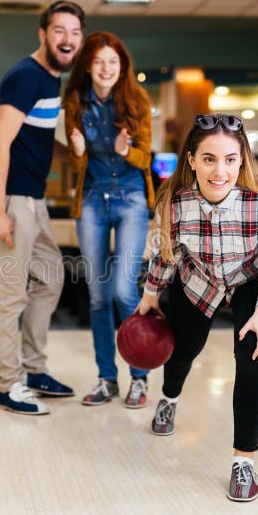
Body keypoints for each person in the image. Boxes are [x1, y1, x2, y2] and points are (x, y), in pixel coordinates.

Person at [136, 114, 258, 501]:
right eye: (208, 158)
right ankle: (169, 399)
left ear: (243, 161)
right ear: (191, 160)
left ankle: (244, 464)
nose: (219, 170)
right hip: (198, 278)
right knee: (184, 348)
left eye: (229, 160)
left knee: (252, 355)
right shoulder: (175, 204)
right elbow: (165, 255)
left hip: (249, 280)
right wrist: (151, 295)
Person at [0, 0, 85, 415]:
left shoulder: (48, 80)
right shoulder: (26, 77)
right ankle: (8, 385)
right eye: (59, 30)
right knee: (8, 294)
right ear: (43, 34)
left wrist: (76, 151)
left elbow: (33, 140)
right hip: (12, 199)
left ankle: (34, 369)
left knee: (51, 276)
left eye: (75, 33)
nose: (67, 39)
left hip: (32, 199)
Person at [62, 31, 156, 408]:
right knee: (99, 296)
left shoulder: (137, 99)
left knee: (122, 290)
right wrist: (79, 151)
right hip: (91, 201)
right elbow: (75, 164)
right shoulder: (75, 102)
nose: (105, 69)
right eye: (99, 61)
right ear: (88, 64)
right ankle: (106, 379)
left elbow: (147, 159)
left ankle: (140, 377)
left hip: (131, 198)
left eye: (112, 62)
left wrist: (126, 149)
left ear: (122, 66)